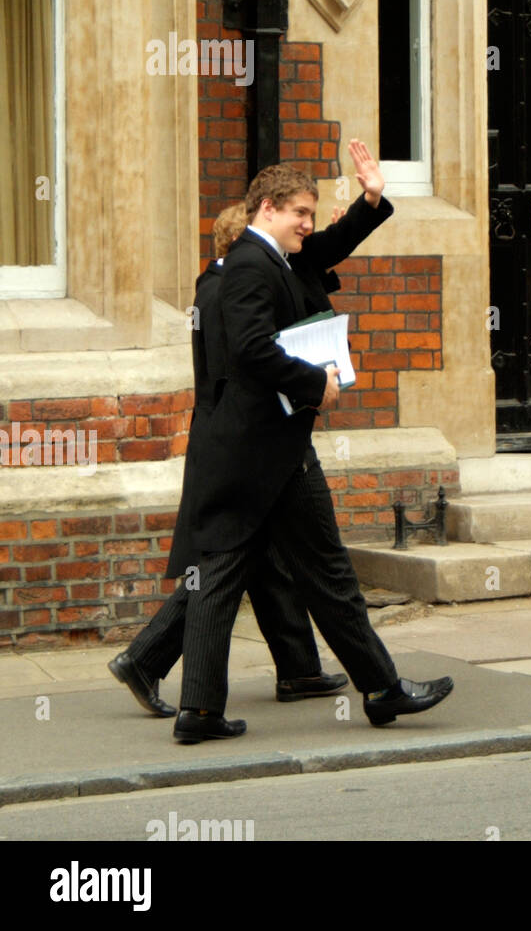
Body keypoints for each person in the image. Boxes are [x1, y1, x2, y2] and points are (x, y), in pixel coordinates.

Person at [173, 143, 453, 742]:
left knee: (219, 576)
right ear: (269, 207)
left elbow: (330, 246)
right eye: (301, 212)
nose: (309, 224)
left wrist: (371, 199)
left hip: (248, 452)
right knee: (328, 573)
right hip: (271, 452)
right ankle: (381, 689)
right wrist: (314, 382)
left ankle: (198, 711)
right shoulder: (252, 264)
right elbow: (251, 349)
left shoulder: (273, 257)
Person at [109, 203, 346, 716]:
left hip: (255, 444)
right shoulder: (225, 289)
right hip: (245, 445)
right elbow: (253, 361)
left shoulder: (222, 284)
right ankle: (152, 661)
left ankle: (295, 668)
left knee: (249, 562)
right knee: (226, 565)